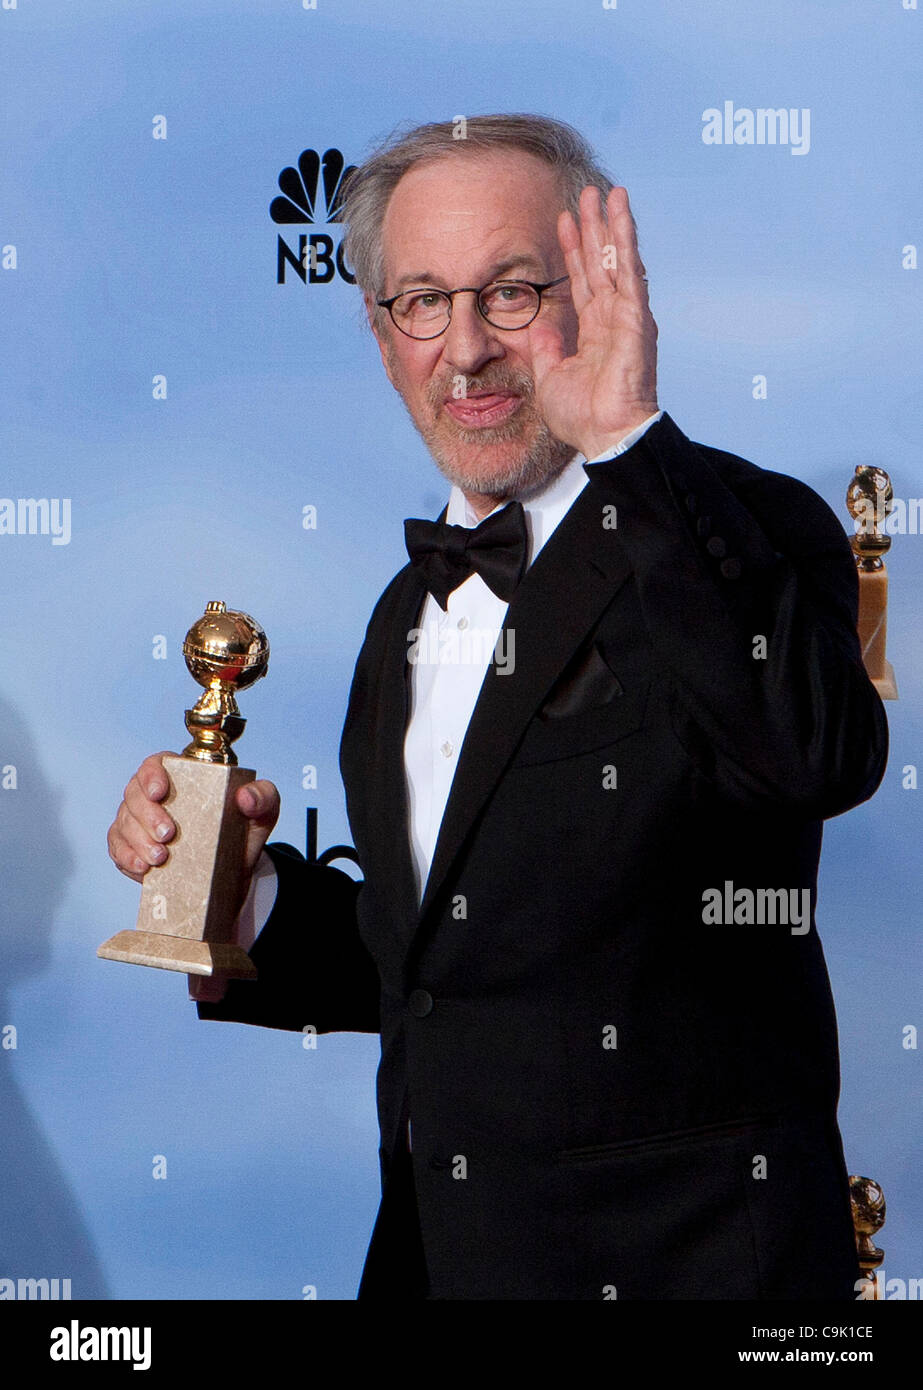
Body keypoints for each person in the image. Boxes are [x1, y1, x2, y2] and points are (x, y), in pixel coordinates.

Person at [107, 114, 888, 1300]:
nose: (462, 349)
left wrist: (629, 441)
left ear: (597, 292)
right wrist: (237, 893)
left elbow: (814, 751)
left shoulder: (744, 531)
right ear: (380, 335)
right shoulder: (397, 619)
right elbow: (446, 971)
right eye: (421, 300)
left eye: (510, 292)